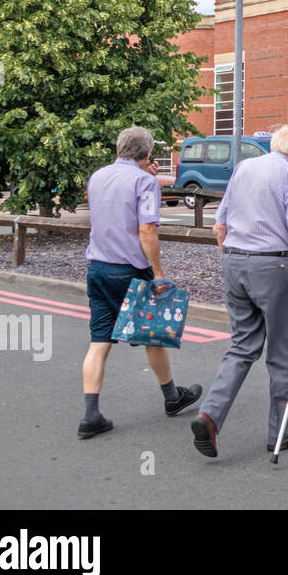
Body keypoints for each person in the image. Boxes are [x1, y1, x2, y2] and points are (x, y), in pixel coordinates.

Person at [191, 125, 288, 459]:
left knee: (241, 346)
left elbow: (218, 226)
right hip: (273, 268)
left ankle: (209, 415)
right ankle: (280, 432)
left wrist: (231, 260)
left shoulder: (244, 168)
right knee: (282, 352)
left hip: (234, 264)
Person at [80, 126, 201, 439]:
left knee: (99, 340)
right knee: (152, 334)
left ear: (121, 149)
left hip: (98, 267)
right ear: (147, 154)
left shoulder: (98, 176)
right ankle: (172, 397)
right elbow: (146, 229)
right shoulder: (145, 181)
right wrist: (158, 274)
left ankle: (91, 414)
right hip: (131, 270)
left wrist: (143, 172)